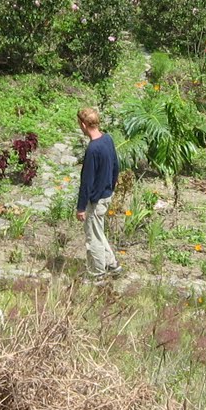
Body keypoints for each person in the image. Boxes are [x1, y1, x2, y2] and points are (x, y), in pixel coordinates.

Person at [75, 107, 120, 280]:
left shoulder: (93, 149)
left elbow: (86, 182)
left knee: (92, 237)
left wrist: (81, 207)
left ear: (84, 125)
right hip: (107, 194)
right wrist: (112, 185)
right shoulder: (107, 139)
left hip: (96, 199)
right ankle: (112, 264)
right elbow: (116, 165)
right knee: (98, 231)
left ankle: (97, 273)